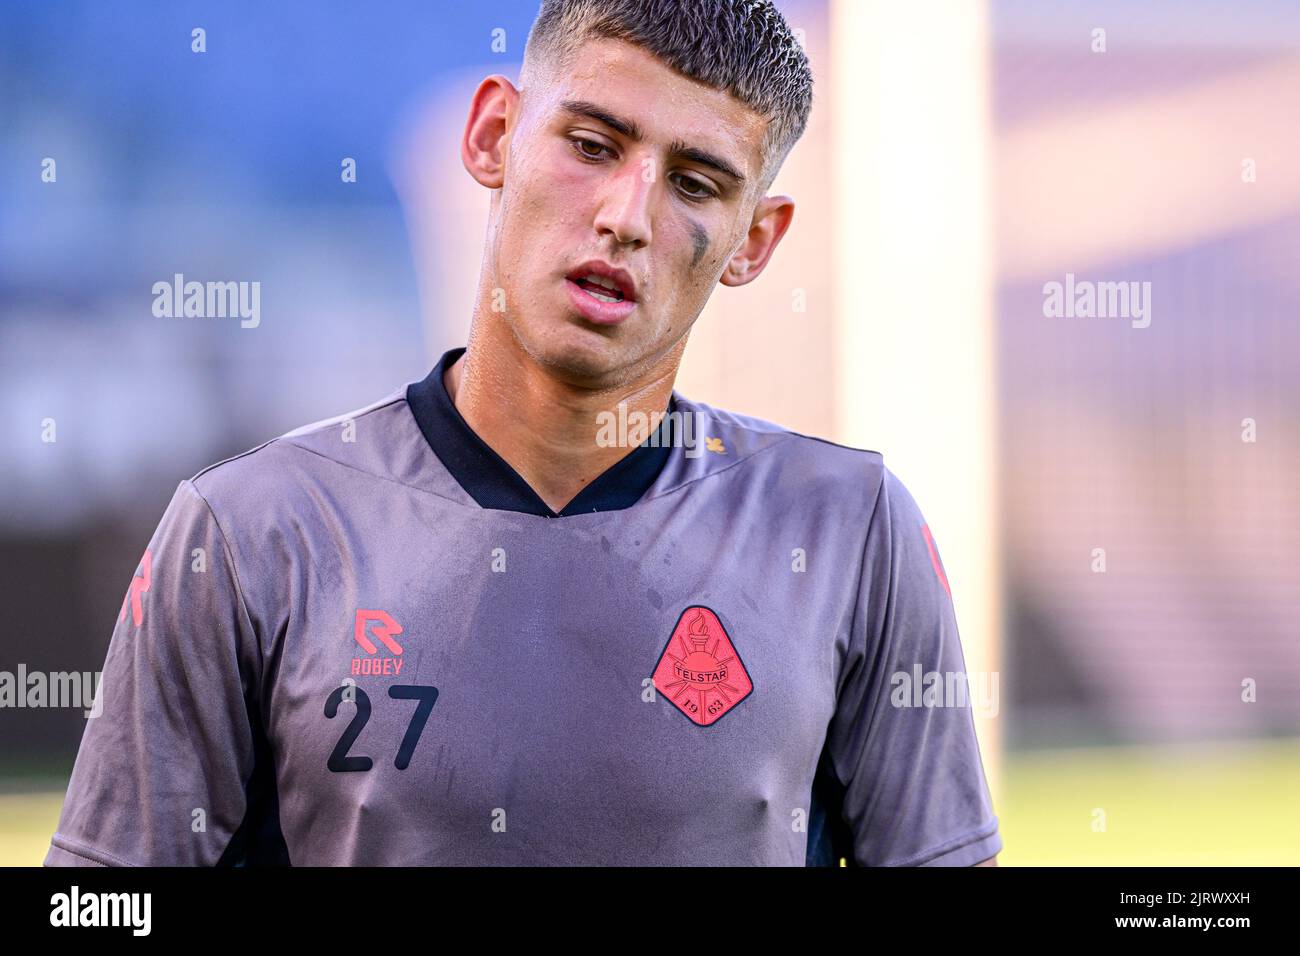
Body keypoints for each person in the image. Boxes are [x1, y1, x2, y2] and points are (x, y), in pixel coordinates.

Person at [46, 0, 1001, 866]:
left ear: (754, 241)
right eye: (591, 145)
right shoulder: (249, 533)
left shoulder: (848, 532)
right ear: (495, 133)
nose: (626, 216)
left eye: (696, 183)